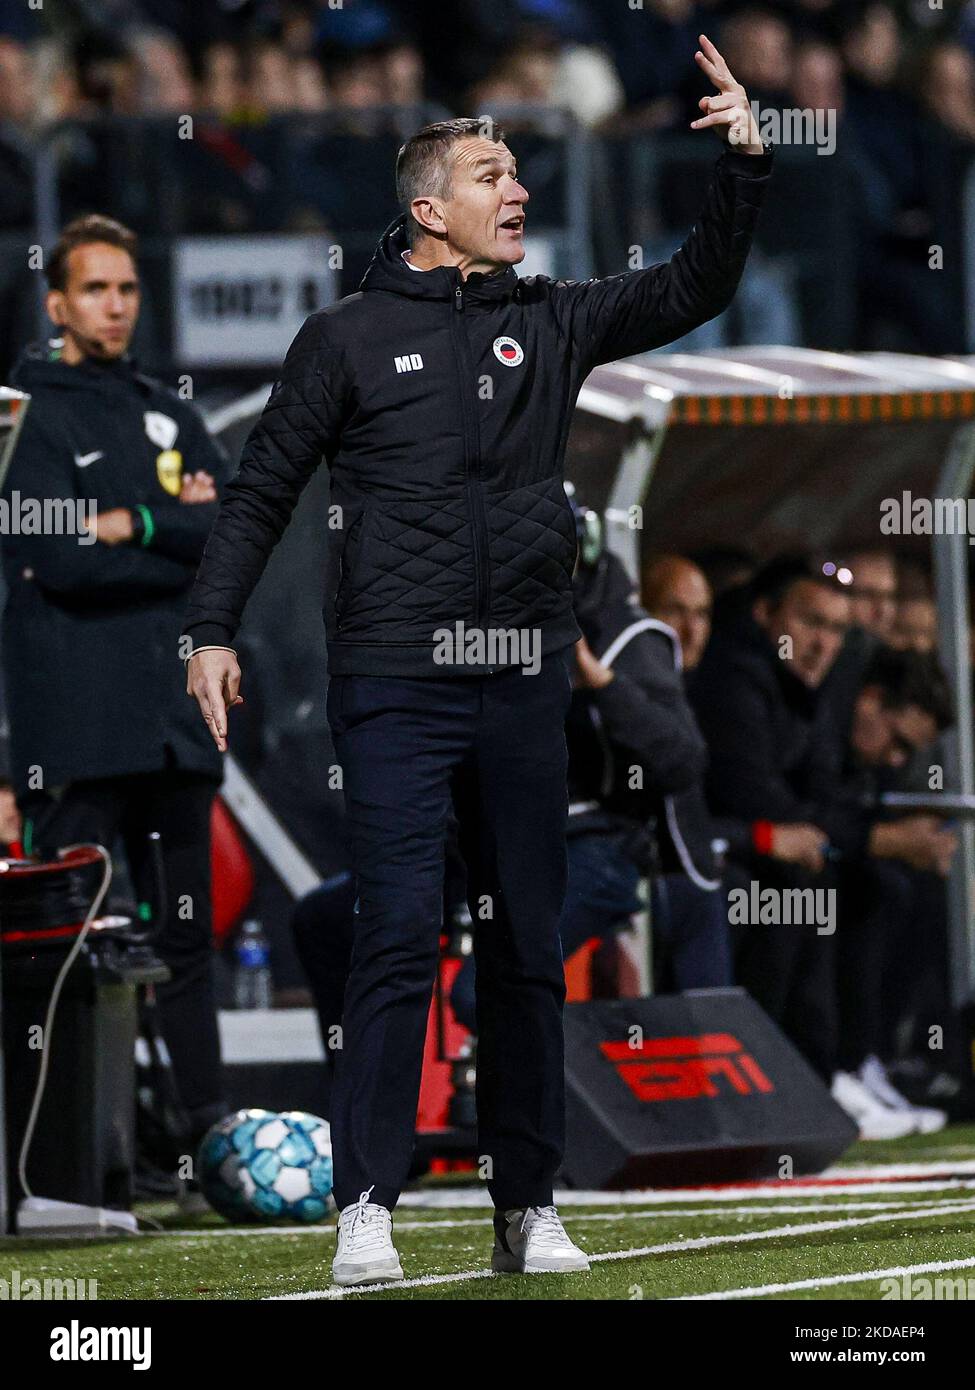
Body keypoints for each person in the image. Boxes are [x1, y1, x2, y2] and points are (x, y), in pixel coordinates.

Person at [183, 38, 773, 1286]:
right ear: (427, 209)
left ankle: (528, 1204)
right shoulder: (341, 339)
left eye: (516, 171)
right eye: (493, 172)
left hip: (520, 682)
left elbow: (693, 288)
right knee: (397, 932)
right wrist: (213, 631)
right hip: (392, 681)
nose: (517, 190)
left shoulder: (552, 319)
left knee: (521, 946)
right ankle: (366, 1209)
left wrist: (743, 163)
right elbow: (255, 496)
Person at [1, 213, 229, 1175]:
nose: (116, 305)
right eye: (96, 289)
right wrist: (165, 534)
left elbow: (226, 533)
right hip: (77, 731)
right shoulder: (25, 414)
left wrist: (128, 521)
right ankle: (66, 1158)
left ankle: (208, 1139)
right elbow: (54, 558)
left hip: (176, 724)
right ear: (57, 303)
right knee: (70, 950)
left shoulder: (168, 411)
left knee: (187, 942)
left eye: (128, 289)